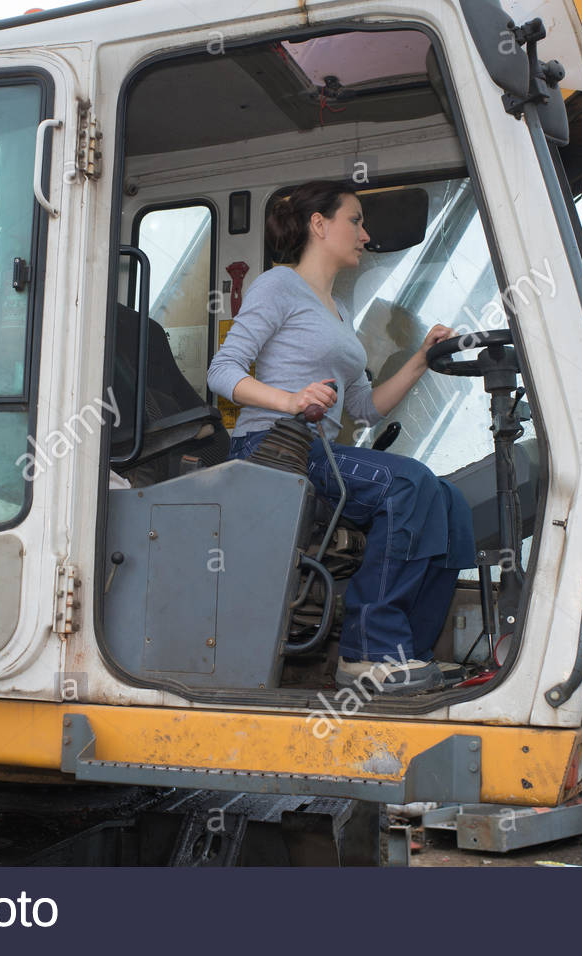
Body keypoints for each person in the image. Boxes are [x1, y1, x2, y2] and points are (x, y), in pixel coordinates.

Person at [206, 180, 475, 695]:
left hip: (321, 452)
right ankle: (367, 654)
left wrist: (421, 359)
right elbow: (223, 371)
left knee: (452, 504)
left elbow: (363, 408)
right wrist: (290, 400)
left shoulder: (341, 312)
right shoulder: (277, 286)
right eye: (355, 220)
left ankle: (406, 656)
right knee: (408, 485)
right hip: (273, 449)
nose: (365, 234)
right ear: (319, 224)